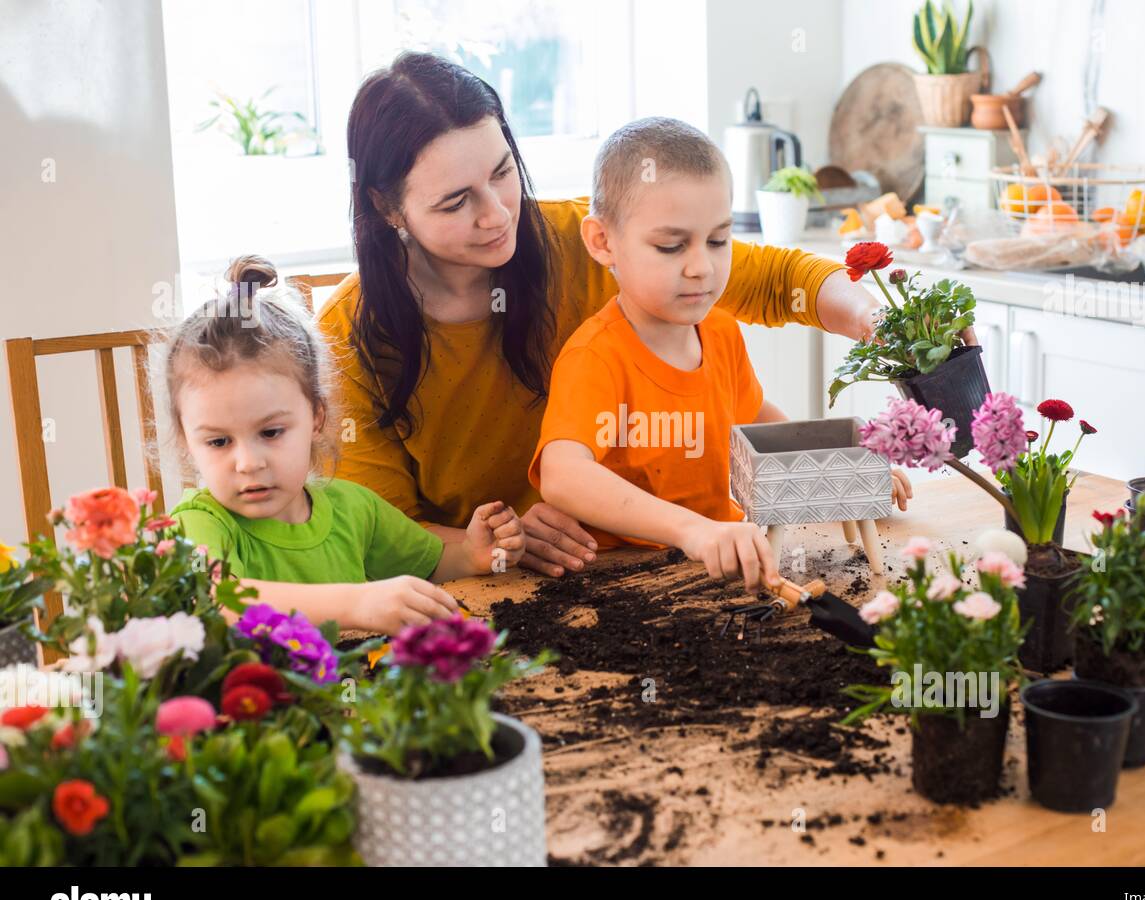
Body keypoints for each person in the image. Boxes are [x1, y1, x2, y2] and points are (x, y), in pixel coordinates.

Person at [316, 51, 888, 582]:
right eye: (456, 201)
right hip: (499, 591)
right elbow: (379, 533)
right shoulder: (346, 339)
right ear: (387, 206)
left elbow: (779, 281)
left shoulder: (585, 243)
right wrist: (504, 540)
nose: (497, 215)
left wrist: (881, 321)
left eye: (502, 172)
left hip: (643, 565)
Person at [529, 118, 911, 592]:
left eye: (717, 241)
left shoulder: (722, 331)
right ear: (603, 242)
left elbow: (760, 423)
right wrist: (692, 530)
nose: (701, 267)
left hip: (720, 566)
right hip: (622, 581)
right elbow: (562, 475)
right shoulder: (595, 356)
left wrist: (843, 469)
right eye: (671, 246)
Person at [163, 255, 524, 635]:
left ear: (317, 417)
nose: (248, 463)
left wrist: (471, 554)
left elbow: (430, 564)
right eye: (219, 441)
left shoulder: (354, 509)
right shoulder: (197, 523)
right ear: (187, 441)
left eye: (270, 433)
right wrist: (356, 603)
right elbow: (217, 600)